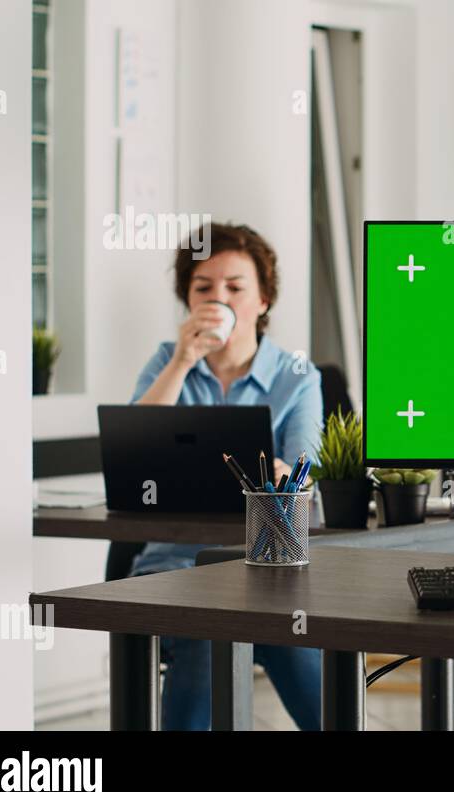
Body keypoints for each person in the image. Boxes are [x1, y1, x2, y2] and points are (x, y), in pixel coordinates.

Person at [130, 223, 324, 730]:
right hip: (177, 568)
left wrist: (283, 476)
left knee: (288, 636)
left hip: (271, 569)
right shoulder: (166, 361)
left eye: (235, 287)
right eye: (203, 288)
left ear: (263, 300)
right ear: (188, 300)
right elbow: (136, 451)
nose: (218, 299)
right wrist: (182, 361)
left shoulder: (296, 376)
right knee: (209, 623)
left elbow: (305, 470)